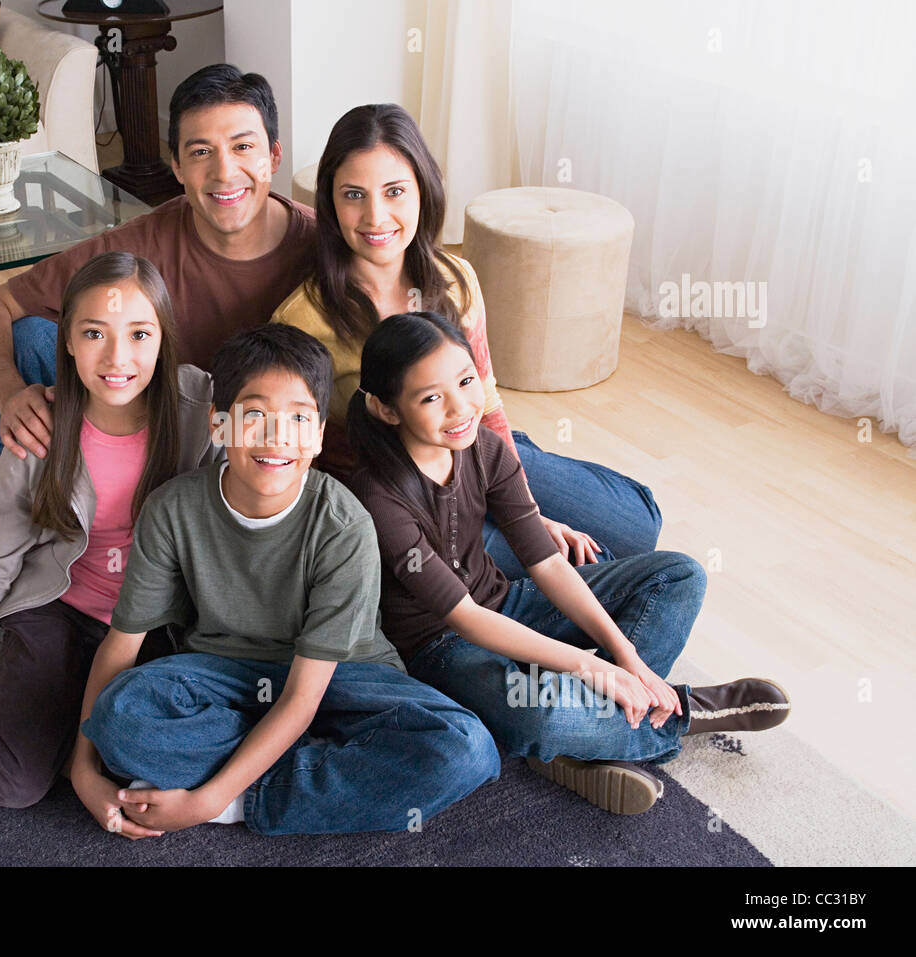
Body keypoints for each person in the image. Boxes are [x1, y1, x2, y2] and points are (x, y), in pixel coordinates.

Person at [0, 63, 316, 649]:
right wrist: (8, 392)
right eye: (200, 151)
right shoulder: (147, 241)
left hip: (244, 457)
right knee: (31, 335)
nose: (224, 171)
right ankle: (27, 557)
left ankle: (17, 623)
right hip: (148, 428)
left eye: (243, 146)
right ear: (175, 166)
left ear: (273, 155)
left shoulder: (319, 247)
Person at [346, 311, 791, 814]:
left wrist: (626, 658)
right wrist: (589, 667)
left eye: (466, 381)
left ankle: (592, 734)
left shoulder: (486, 448)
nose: (460, 407)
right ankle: (683, 713)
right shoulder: (376, 496)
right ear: (387, 410)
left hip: (507, 601)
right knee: (543, 714)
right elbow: (464, 616)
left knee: (679, 573)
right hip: (441, 647)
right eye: (431, 398)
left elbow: (548, 564)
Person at [68, 324, 498, 836]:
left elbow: (302, 696)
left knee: (464, 748)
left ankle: (247, 803)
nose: (277, 437)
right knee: (122, 715)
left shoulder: (344, 524)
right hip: (225, 675)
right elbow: (121, 647)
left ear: (318, 435)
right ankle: (319, 771)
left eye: (298, 418)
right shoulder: (172, 509)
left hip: (343, 679)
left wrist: (210, 800)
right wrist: (82, 769)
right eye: (254, 415)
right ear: (218, 425)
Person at [0, 252, 220, 808]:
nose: (118, 357)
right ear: (68, 343)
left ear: (163, 339)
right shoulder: (41, 431)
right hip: (56, 605)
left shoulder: (199, 405)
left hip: (149, 623)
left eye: (140, 334)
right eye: (95, 333)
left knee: (145, 763)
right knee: (10, 786)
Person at [271, 103, 662, 579]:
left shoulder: (456, 279)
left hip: (475, 447)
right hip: (401, 493)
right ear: (330, 203)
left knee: (639, 527)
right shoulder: (301, 319)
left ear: (423, 192)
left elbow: (487, 394)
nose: (376, 216)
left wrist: (525, 509)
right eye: (354, 195)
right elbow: (311, 454)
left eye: (395, 191)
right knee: (590, 567)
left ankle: (530, 463)